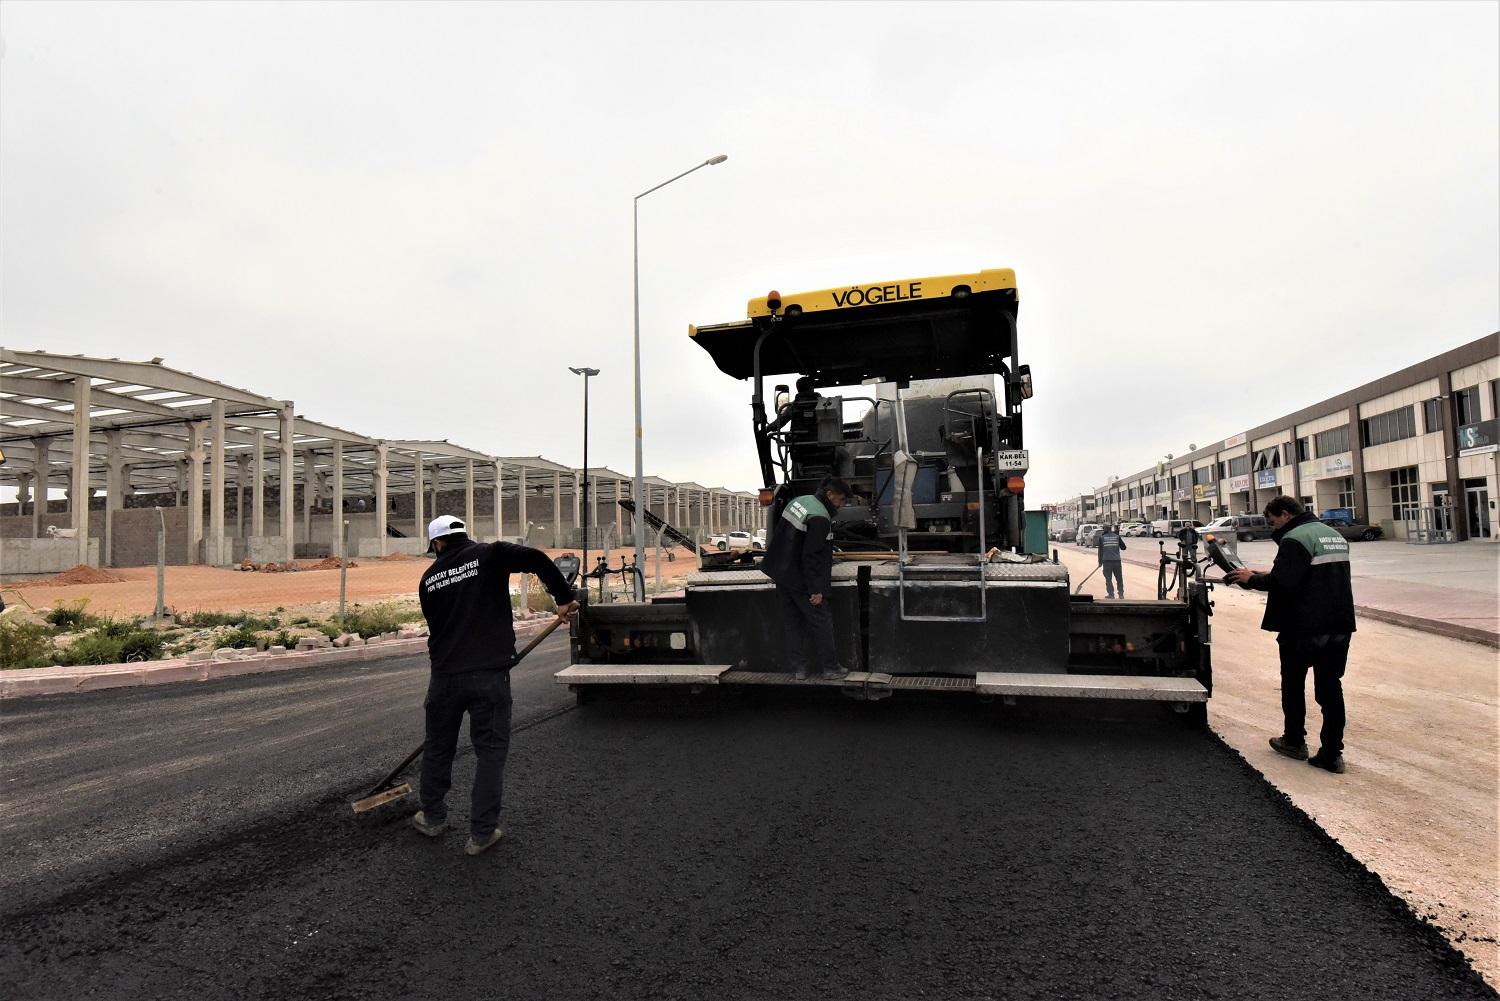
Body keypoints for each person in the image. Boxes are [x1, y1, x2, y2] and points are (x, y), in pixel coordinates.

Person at [411, 514, 578, 854]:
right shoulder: (489, 554)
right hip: (488, 675)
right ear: (463, 535)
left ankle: (432, 817)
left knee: (438, 746)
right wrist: (562, 597)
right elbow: (534, 558)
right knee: (489, 752)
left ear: (436, 544)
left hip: (443, 678)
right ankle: (482, 833)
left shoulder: (428, 580)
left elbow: (440, 627)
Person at [1225, 496, 1355, 774]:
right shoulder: (1332, 535)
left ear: (1284, 514)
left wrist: (1252, 579)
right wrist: (1265, 573)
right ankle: (1332, 754)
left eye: (1272, 522)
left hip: (1304, 626)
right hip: (1339, 625)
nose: (1273, 528)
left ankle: (1294, 741)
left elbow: (1285, 582)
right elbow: (1310, 574)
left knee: (1294, 684)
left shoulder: (1294, 538)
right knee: (1330, 688)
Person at [761, 477, 850, 681]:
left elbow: (787, 537)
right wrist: (816, 590)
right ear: (829, 495)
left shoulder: (799, 501)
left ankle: (800, 669)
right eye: (841, 499)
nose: (842, 505)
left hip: (781, 573)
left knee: (793, 623)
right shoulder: (820, 517)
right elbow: (810, 557)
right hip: (800, 579)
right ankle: (830, 668)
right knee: (821, 622)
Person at [1095, 523, 1127, 598]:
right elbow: (1124, 548)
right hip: (1116, 561)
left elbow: (1100, 552)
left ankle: (1111, 594)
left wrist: (1100, 562)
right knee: (1119, 578)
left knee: (1108, 579)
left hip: (1106, 562)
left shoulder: (1102, 538)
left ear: (1104, 529)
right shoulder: (1117, 537)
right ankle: (1121, 594)